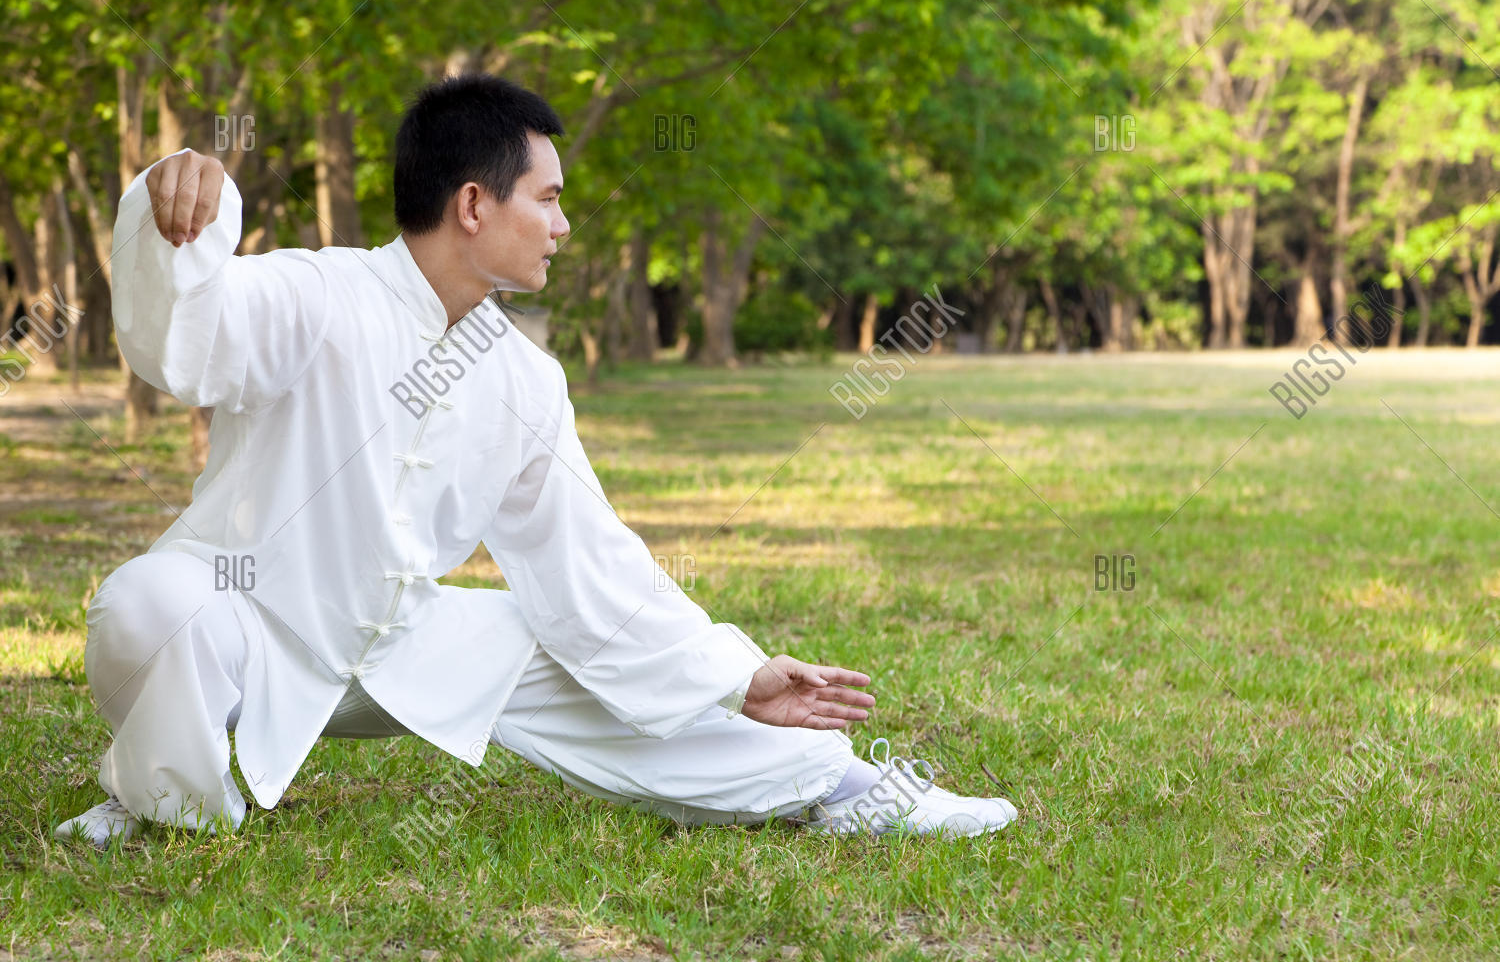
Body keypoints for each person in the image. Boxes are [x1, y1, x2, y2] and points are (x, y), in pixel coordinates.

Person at [55, 74, 1017, 847]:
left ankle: (848, 788)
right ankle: (159, 809)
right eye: (548, 200)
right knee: (151, 603)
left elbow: (592, 567)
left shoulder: (525, 380)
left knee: (577, 648)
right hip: (245, 624)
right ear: (474, 204)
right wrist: (174, 203)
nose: (563, 226)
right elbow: (184, 336)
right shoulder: (318, 293)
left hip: (399, 644)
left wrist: (740, 675)